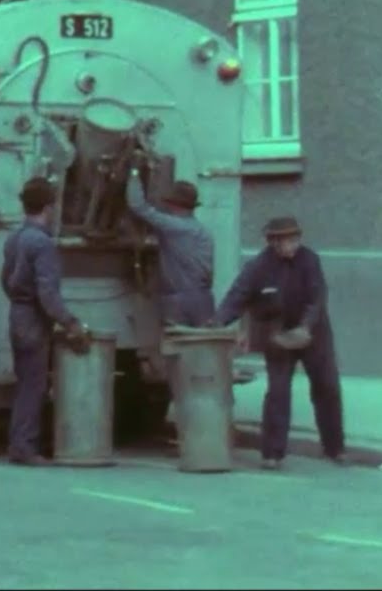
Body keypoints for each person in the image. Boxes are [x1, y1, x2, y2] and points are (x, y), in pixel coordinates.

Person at [211, 216, 349, 471]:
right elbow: (237, 296)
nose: (293, 245)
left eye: (296, 239)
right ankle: (272, 453)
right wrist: (217, 322)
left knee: (327, 386)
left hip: (313, 333)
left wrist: (305, 327)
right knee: (278, 391)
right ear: (273, 242)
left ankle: (335, 447)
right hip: (278, 335)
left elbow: (317, 297)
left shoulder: (309, 260)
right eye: (288, 240)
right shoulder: (258, 267)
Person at [0, 177, 86, 466]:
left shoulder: (14, 238)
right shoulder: (43, 243)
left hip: (17, 314)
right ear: (49, 207)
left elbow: (5, 280)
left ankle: (19, 442)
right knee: (34, 386)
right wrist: (70, 322)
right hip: (34, 321)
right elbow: (47, 293)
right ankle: (24, 447)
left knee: (24, 381)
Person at [124, 163, 216, 326]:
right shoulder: (202, 231)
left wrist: (134, 171)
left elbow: (138, 206)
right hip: (203, 297)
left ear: (173, 204)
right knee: (205, 339)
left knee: (176, 340)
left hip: (178, 300)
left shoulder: (174, 226)